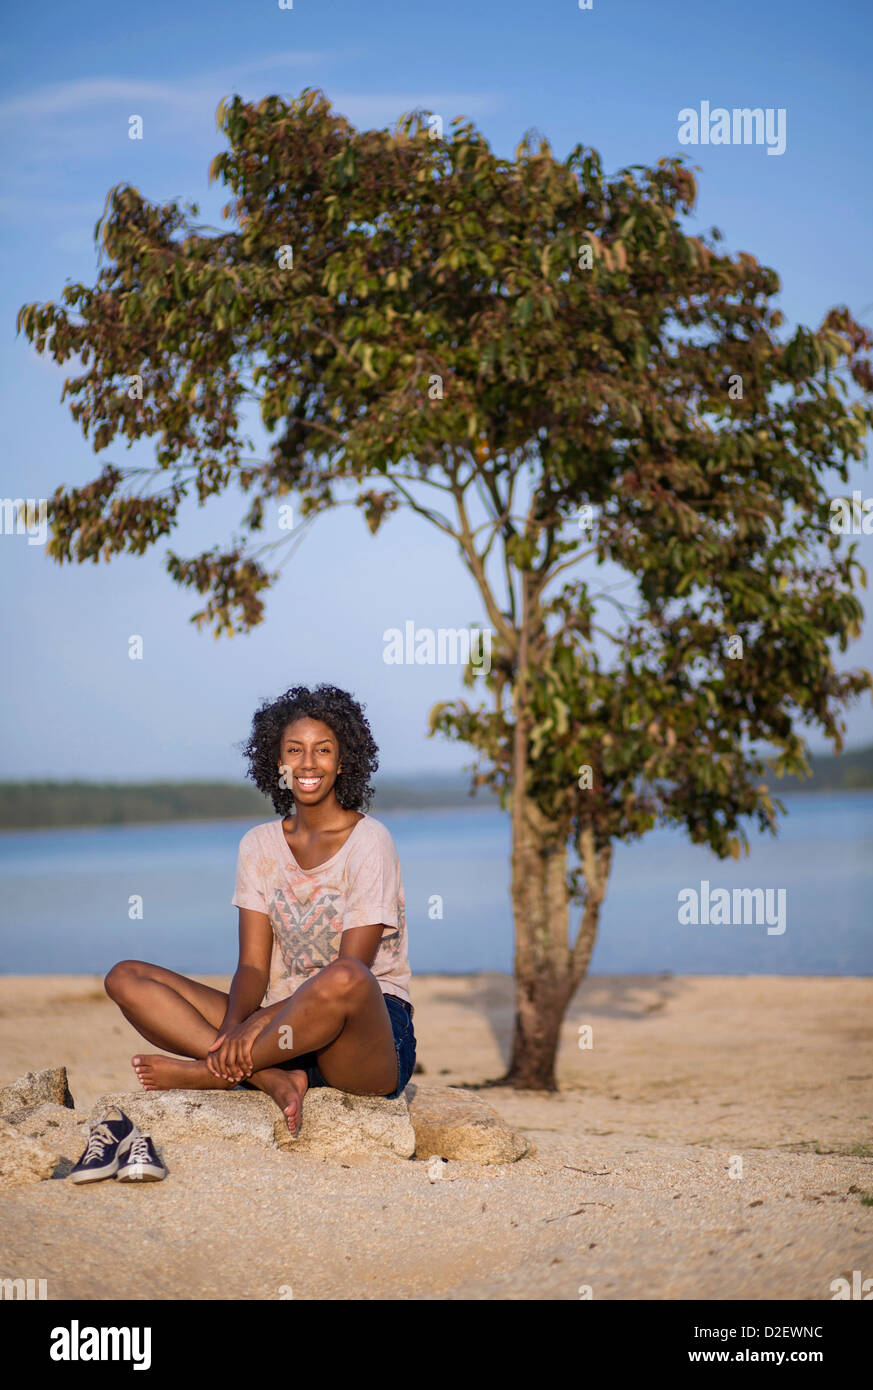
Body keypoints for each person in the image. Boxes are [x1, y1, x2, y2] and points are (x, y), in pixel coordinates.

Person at [104, 684, 416, 1136]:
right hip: (278, 1034)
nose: (308, 763)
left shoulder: (370, 841)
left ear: (343, 761)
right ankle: (267, 1075)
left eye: (323, 750)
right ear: (278, 763)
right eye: (295, 750)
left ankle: (212, 1073)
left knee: (344, 976)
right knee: (126, 976)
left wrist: (261, 1023)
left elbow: (353, 966)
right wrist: (233, 1028)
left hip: (362, 1031)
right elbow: (252, 965)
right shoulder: (258, 845)